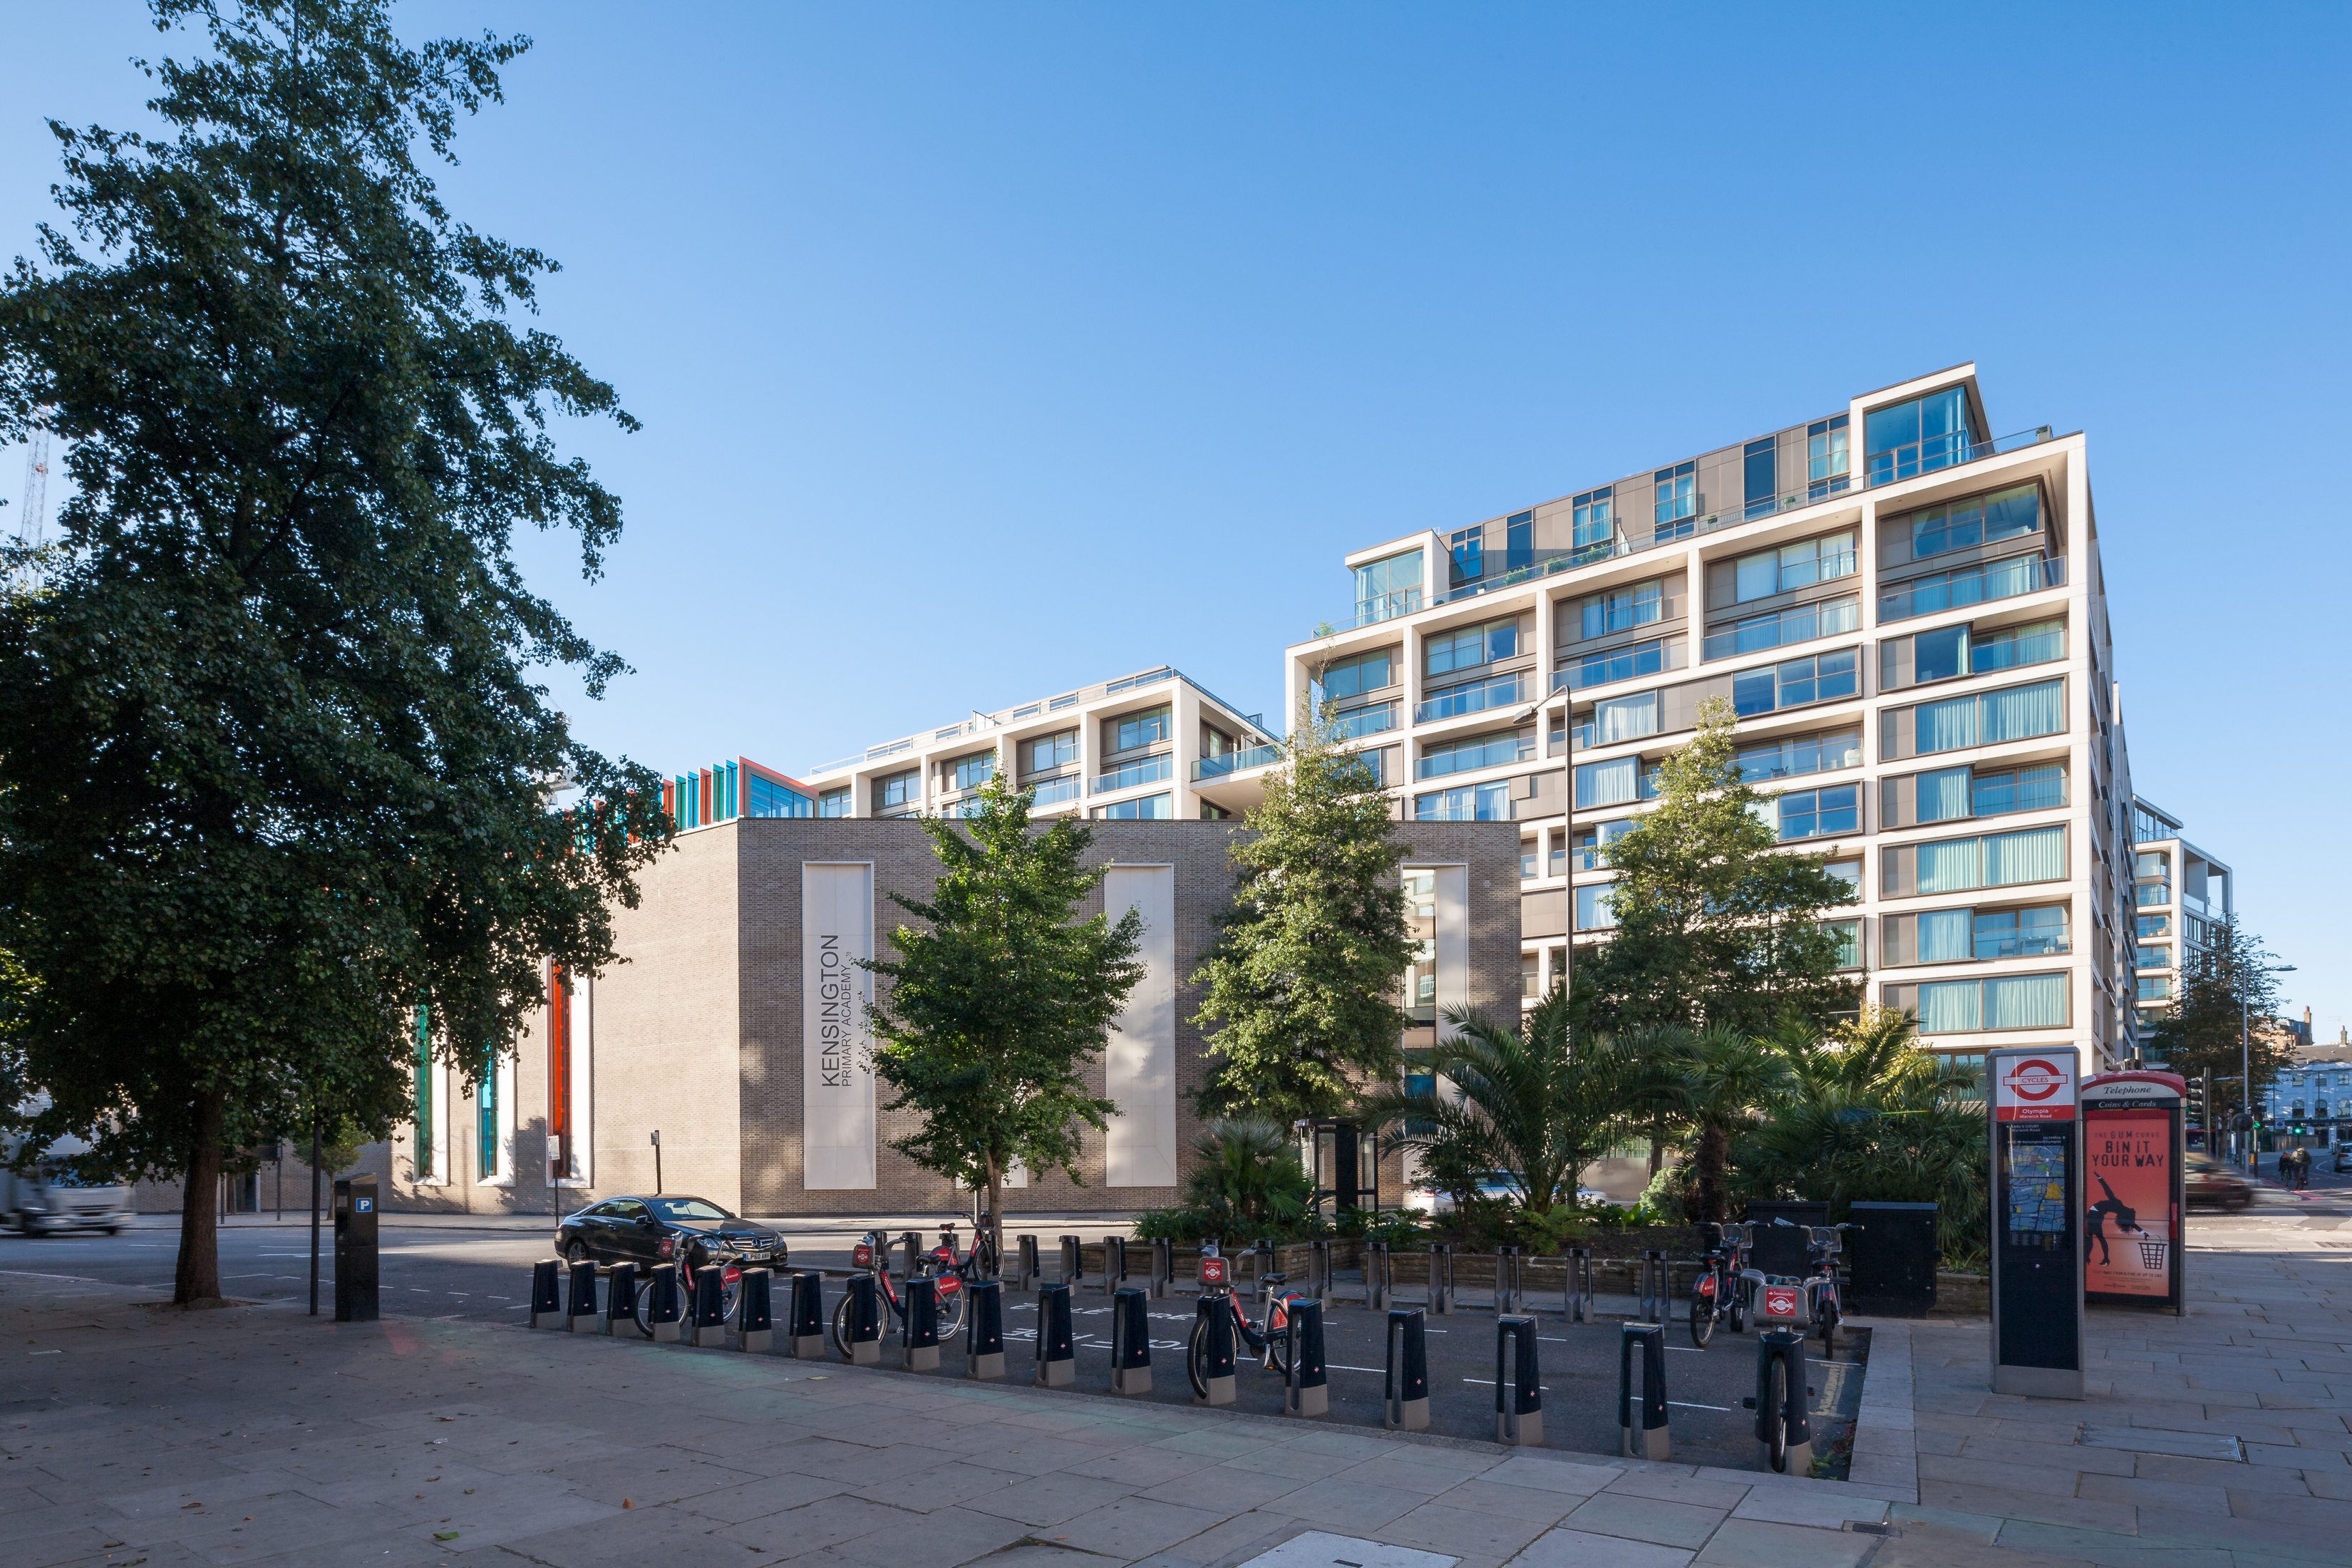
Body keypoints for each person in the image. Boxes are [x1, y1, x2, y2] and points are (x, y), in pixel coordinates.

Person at [2085, 1174, 2145, 1267]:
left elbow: (2108, 1191)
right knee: (2096, 1237)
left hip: (2095, 1215)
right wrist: (2144, 1233)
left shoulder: (2118, 1204)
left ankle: (2092, 1257)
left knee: (2091, 1236)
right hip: (2096, 1215)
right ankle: (2101, 1258)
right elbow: (2133, 1224)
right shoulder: (2121, 1209)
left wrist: (2100, 1178)